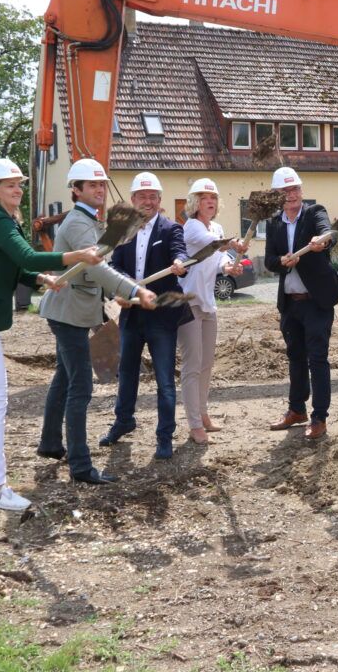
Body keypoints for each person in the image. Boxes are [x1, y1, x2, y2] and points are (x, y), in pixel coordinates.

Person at [0, 158, 102, 510]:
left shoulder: (4, 220)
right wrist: (76, 255)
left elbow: (14, 265)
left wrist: (40, 279)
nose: (17, 189)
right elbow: (28, 256)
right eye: (9, 185)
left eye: (19, 184)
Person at [38, 159, 156, 484]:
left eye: (102, 185)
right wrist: (134, 290)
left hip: (71, 311)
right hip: (69, 314)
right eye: (92, 185)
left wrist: (126, 231)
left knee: (64, 378)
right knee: (81, 388)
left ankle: (50, 443)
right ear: (76, 190)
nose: (100, 190)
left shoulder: (88, 221)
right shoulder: (77, 224)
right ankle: (80, 466)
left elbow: (104, 251)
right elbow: (97, 269)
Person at [103, 172, 192, 459]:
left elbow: (180, 252)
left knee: (164, 379)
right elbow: (115, 267)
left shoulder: (170, 229)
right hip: (132, 315)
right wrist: (125, 291)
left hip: (161, 316)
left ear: (159, 200)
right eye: (142, 196)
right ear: (132, 200)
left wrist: (179, 262)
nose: (148, 201)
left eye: (153, 196)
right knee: (127, 373)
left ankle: (164, 435)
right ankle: (123, 421)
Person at [264, 167, 338, 440]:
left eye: (295, 189)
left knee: (318, 359)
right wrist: (282, 262)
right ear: (277, 196)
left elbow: (328, 232)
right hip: (290, 302)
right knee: (295, 358)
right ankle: (296, 409)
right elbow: (269, 261)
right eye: (286, 191)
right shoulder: (274, 222)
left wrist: (321, 241)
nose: (292, 195)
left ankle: (319, 416)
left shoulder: (313, 213)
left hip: (316, 302)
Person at [176, 178, 247, 444]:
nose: (210, 202)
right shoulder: (192, 227)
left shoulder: (216, 227)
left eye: (214, 198)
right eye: (205, 197)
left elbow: (220, 261)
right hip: (189, 302)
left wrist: (230, 267)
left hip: (208, 302)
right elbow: (215, 245)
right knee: (192, 365)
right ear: (195, 202)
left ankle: (203, 415)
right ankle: (194, 424)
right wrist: (235, 243)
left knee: (206, 364)